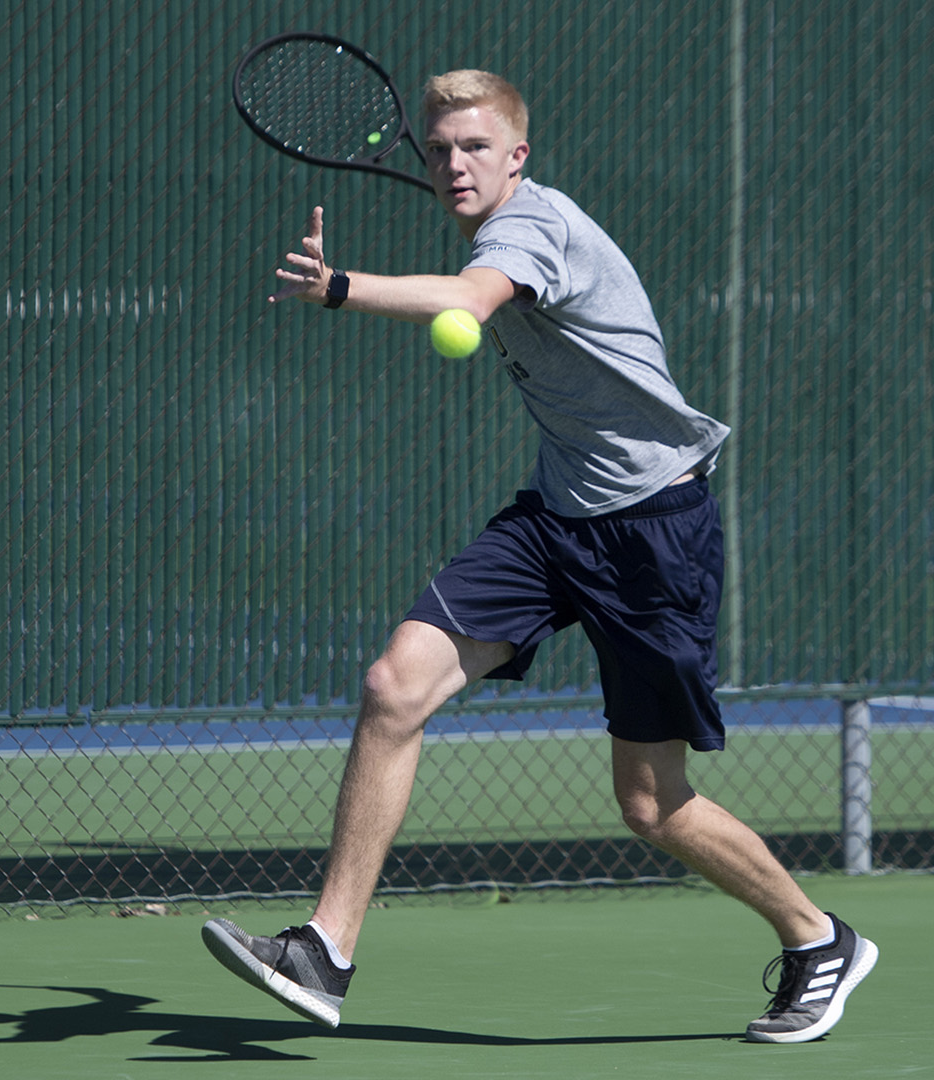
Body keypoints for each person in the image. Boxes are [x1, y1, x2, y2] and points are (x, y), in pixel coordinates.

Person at [202, 68, 876, 1044]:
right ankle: (324, 952)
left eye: (476, 147)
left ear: (517, 155)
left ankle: (818, 939)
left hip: (654, 533)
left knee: (651, 805)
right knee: (395, 686)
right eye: (440, 149)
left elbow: (469, 299)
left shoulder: (534, 228)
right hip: (557, 520)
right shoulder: (497, 227)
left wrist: (342, 287)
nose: (454, 164)